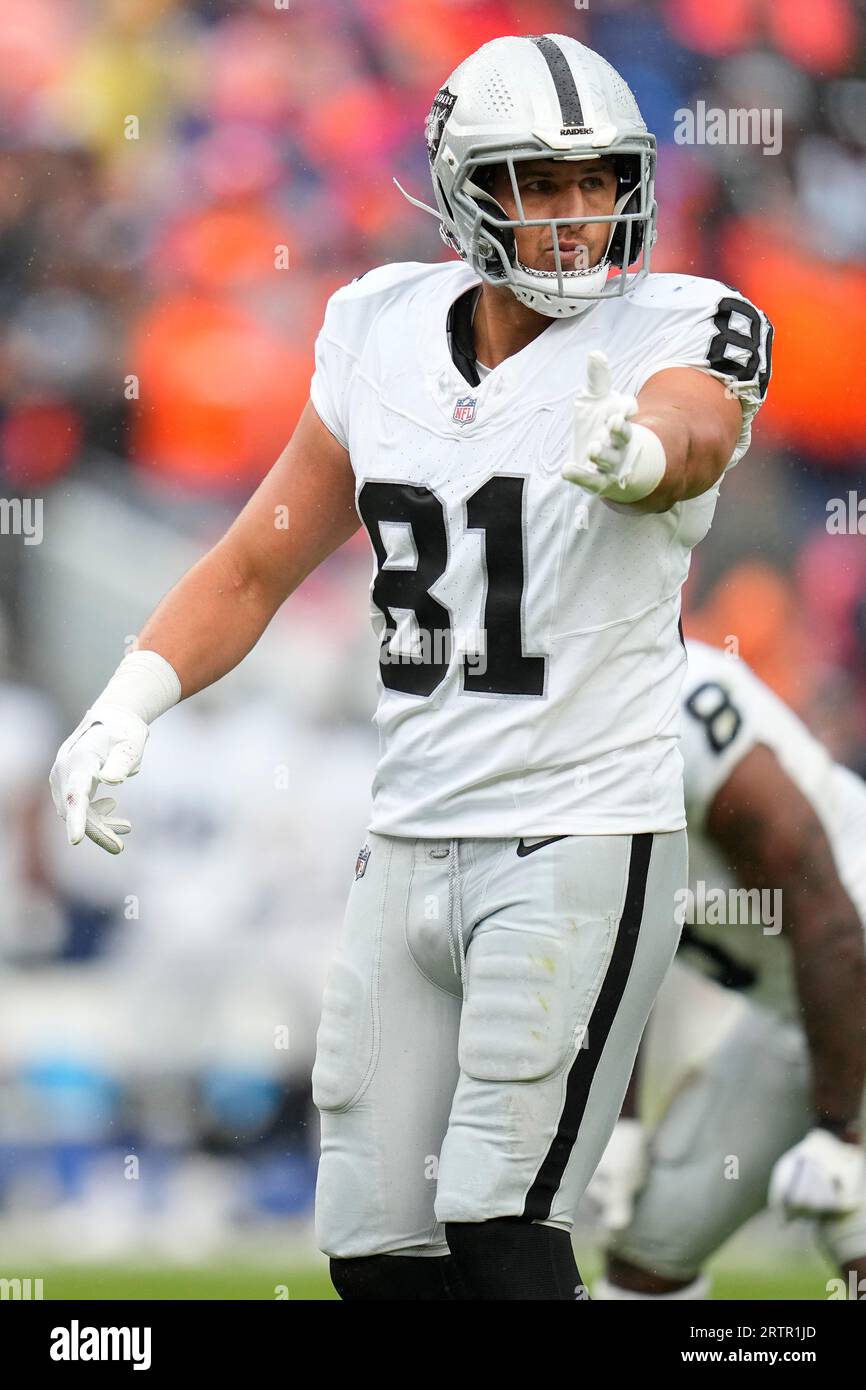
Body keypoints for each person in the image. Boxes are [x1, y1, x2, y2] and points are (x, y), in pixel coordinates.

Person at [49, 34, 773, 1300]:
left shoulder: (677, 322)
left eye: (598, 179)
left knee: (503, 1227)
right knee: (376, 1254)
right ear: (463, 191)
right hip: (408, 835)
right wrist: (127, 700)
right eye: (538, 184)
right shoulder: (376, 326)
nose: (576, 212)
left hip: (577, 831)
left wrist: (642, 453)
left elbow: (695, 425)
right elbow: (255, 562)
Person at [589, 640, 866, 1300]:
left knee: (853, 1231)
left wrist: (839, 1132)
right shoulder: (549, 733)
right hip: (794, 1010)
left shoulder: (679, 710)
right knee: (648, 1257)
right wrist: (620, 1121)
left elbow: (834, 928)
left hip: (850, 970)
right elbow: (618, 939)